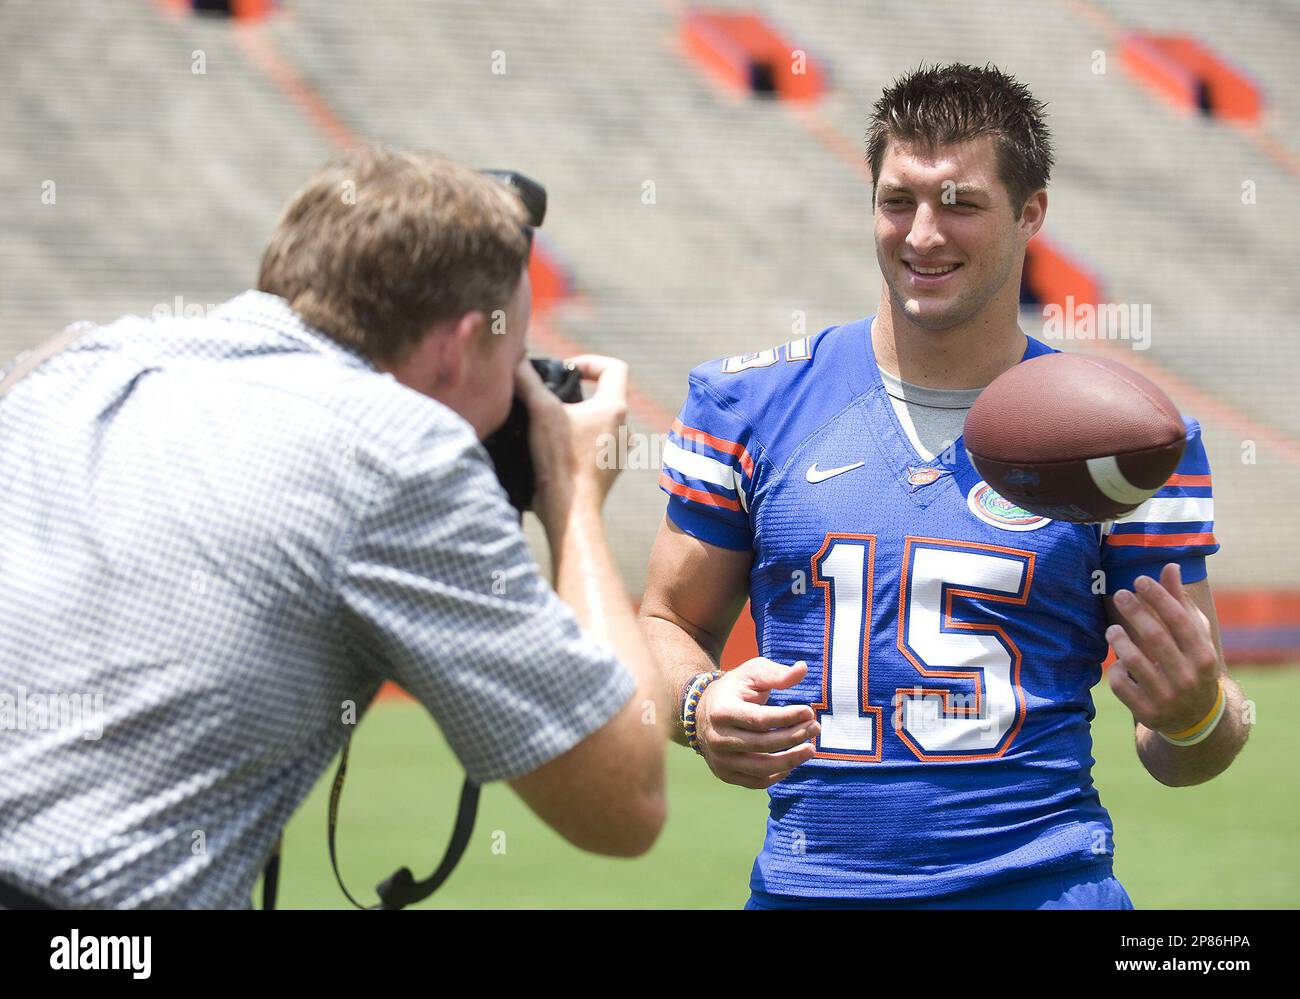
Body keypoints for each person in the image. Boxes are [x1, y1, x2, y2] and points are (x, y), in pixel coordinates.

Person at [640, 63, 1250, 909]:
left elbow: (1186, 744)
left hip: (1040, 888)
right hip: (809, 889)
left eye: (960, 202)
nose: (922, 234)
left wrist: (1195, 715)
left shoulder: (1124, 441)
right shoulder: (750, 405)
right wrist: (698, 705)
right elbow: (667, 622)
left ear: (1030, 212)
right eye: (898, 201)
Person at [0, 146, 667, 909]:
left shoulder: (71, 363)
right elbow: (627, 796)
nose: (525, 398)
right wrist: (573, 488)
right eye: (515, 361)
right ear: (454, 349)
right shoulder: (398, 450)